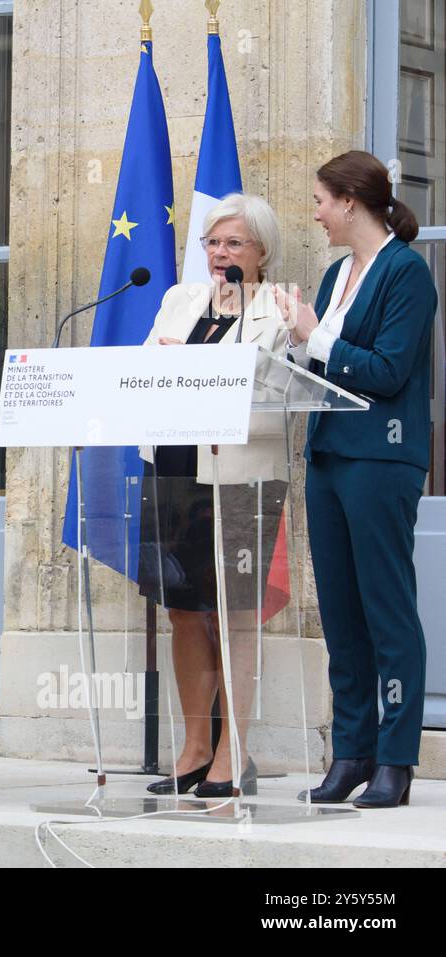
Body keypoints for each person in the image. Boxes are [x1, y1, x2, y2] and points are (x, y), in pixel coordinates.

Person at [276, 151, 437, 809]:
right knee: (342, 615)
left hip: (381, 458)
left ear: (348, 200)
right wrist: (291, 344)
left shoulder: (407, 273)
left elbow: (389, 371)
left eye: (319, 200)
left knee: (387, 610)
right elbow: (323, 366)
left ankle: (397, 758)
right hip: (328, 455)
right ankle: (352, 753)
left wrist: (316, 340)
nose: (315, 214)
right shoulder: (337, 272)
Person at [136, 193, 292, 799]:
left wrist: (195, 368)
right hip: (171, 466)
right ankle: (195, 746)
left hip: (240, 474)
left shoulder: (276, 310)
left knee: (235, 612)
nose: (220, 254)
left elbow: (265, 386)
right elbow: (144, 368)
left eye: (234, 244)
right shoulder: (179, 300)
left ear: (261, 253)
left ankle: (235, 752)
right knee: (182, 609)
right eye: (212, 242)